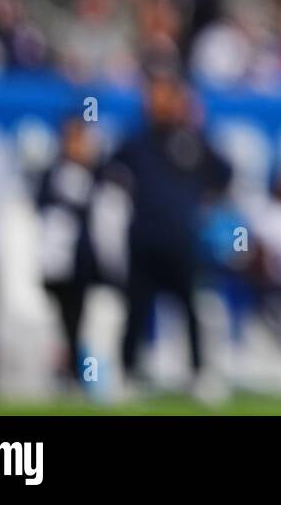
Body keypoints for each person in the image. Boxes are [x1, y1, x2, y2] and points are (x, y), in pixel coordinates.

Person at [103, 58, 231, 392]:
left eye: (164, 95)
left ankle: (199, 374)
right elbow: (108, 174)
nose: (158, 102)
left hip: (180, 240)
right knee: (135, 309)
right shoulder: (136, 142)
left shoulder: (190, 141)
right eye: (153, 95)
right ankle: (126, 373)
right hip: (144, 239)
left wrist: (200, 205)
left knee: (190, 307)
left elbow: (223, 173)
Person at [35, 117, 101, 387]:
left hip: (82, 261)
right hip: (56, 261)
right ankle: (62, 370)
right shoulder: (53, 174)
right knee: (58, 318)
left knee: (80, 318)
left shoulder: (96, 175)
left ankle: (80, 371)